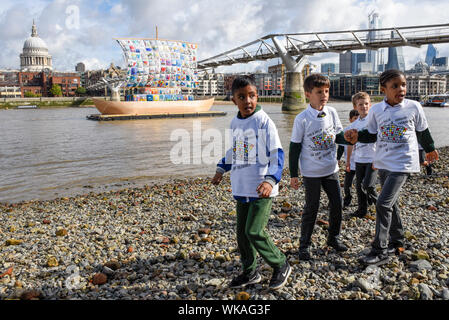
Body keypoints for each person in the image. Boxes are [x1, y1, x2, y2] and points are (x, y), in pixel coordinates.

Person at [345, 69, 439, 265]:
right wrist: (356, 136)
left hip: (403, 163)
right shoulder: (377, 110)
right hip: (383, 162)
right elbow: (371, 134)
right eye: (395, 86)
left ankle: (380, 249)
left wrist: (430, 149)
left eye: (403, 85)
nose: (401, 89)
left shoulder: (414, 106)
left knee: (383, 203)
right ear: (383, 89)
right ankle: (397, 241)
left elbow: (423, 131)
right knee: (392, 203)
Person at [211, 75, 291, 290]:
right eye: (242, 97)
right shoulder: (235, 121)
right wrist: (221, 168)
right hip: (241, 187)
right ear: (233, 101)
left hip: (261, 189)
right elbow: (238, 150)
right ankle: (250, 272)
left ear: (257, 96)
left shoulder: (263, 120)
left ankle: (281, 263)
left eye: (252, 95)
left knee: (254, 231)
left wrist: (270, 180)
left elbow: (277, 154)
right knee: (242, 235)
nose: (248, 101)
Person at [289, 73, 350, 261]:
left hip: (331, 169)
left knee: (337, 204)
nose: (324, 95)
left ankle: (333, 238)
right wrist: (294, 175)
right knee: (311, 208)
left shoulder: (331, 112)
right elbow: (294, 147)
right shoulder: (302, 118)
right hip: (311, 172)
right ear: (308, 94)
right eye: (319, 92)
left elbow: (339, 137)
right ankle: (304, 245)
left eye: (326, 91)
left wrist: (340, 154)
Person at [346, 92, 378, 218]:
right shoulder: (353, 125)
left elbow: (380, 139)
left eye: (366, 104)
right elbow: (349, 144)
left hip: (372, 159)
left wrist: (379, 158)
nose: (364, 107)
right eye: (360, 104)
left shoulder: (374, 120)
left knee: (368, 185)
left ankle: (381, 206)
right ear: (355, 107)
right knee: (359, 187)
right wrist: (348, 161)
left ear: (370, 105)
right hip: (359, 159)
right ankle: (362, 210)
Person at [337, 109, 359, 209]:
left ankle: (366, 200)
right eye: (355, 118)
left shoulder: (362, 131)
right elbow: (341, 146)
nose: (357, 120)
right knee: (347, 184)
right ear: (350, 120)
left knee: (361, 184)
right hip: (349, 163)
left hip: (361, 162)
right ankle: (347, 199)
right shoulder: (347, 131)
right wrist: (337, 158)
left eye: (359, 118)